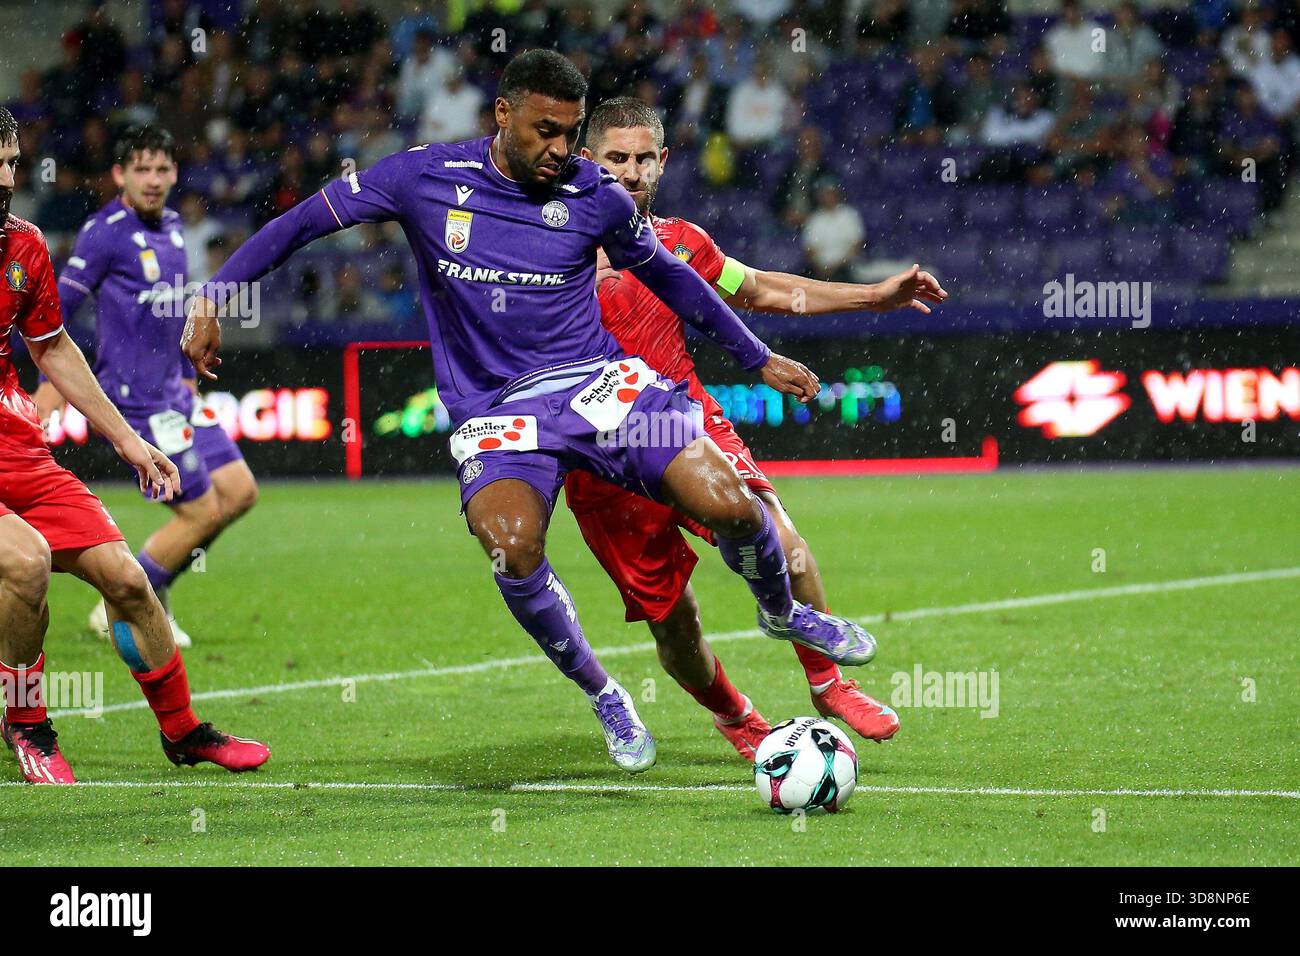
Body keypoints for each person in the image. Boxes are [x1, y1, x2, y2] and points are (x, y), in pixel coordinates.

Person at [182, 50, 875, 775]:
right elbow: (301, 223)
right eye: (546, 131)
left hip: (600, 385)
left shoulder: (594, 192)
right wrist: (214, 296)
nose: (560, 149)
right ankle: (605, 693)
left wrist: (755, 357)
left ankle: (781, 611)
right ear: (503, 114)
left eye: (571, 134)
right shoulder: (423, 177)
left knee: (732, 504)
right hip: (498, 409)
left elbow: (673, 278)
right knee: (512, 548)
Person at [574, 97, 946, 758]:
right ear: (586, 160)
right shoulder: (549, 250)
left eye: (643, 159)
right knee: (674, 623)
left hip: (683, 423)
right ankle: (738, 717)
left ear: (663, 161)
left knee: (783, 541)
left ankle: (829, 684)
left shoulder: (682, 242)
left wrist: (870, 296)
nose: (630, 172)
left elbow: (760, 290)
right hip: (599, 458)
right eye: (615, 159)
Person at [0, 107, 268, 784]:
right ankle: (27, 721)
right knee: (27, 562)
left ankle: (183, 732)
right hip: (132, 396)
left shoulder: (24, 244)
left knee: (126, 578)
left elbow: (52, 343)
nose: (7, 179)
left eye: (11, 164)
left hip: (27, 443)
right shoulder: (104, 235)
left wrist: (125, 440)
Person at [34, 126, 259, 648]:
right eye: (141, 170)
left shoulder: (177, 230)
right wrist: (50, 388)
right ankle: (130, 603)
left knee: (239, 493)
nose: (153, 180)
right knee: (200, 512)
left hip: (176, 394)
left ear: (175, 173)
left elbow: (177, 311)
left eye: (161, 169)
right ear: (120, 175)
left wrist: (187, 374)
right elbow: (55, 313)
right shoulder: (104, 232)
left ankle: (140, 595)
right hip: (134, 403)